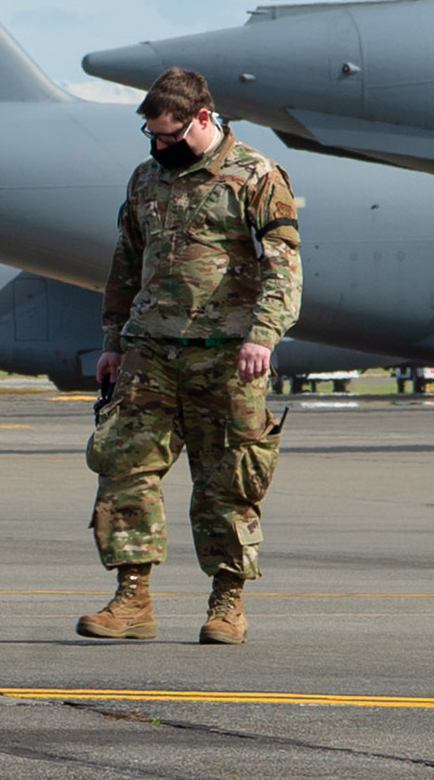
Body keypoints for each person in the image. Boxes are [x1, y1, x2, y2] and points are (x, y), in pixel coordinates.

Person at [80, 68, 299, 645]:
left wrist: (263, 335)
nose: (159, 148)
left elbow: (284, 264)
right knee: (124, 468)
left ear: (203, 118)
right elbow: (125, 267)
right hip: (149, 351)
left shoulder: (256, 175)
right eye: (152, 138)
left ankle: (227, 604)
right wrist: (112, 345)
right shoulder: (145, 180)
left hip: (227, 355)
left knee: (228, 480)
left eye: (170, 137)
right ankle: (132, 601)